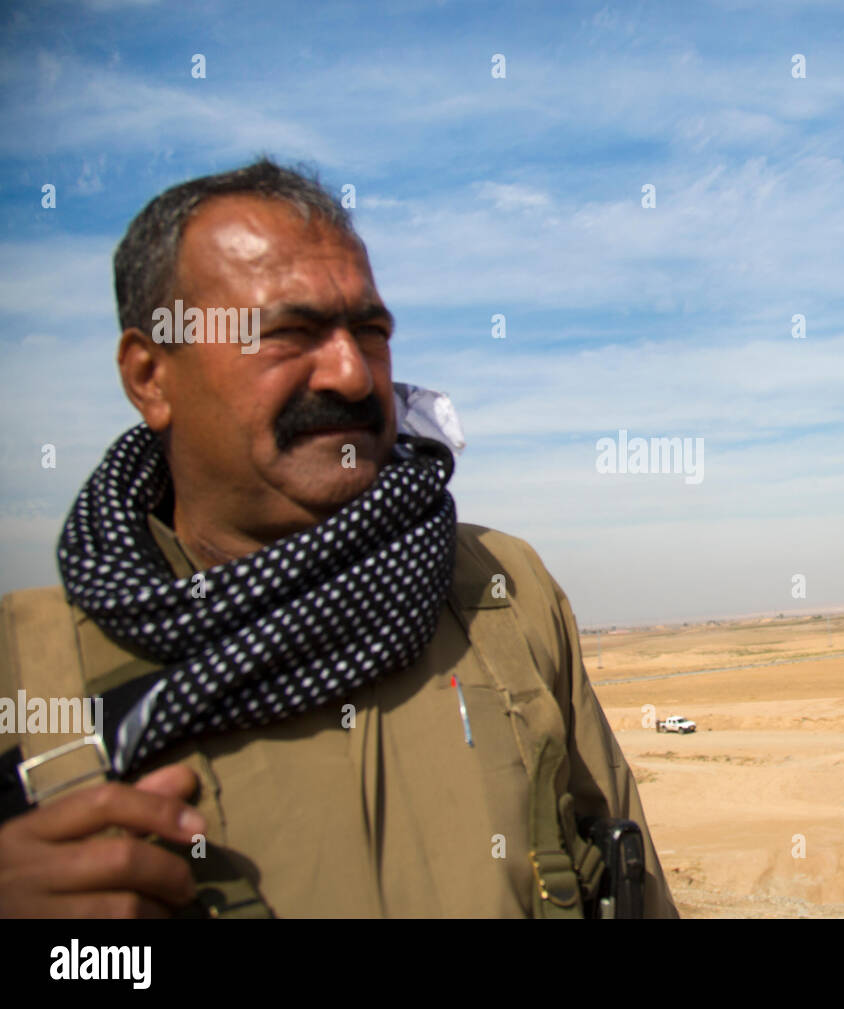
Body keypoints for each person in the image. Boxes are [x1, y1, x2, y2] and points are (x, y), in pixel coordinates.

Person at [0, 158, 678, 918]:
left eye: (371, 331)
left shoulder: (499, 589)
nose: (354, 376)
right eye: (287, 332)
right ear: (151, 375)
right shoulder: (29, 664)